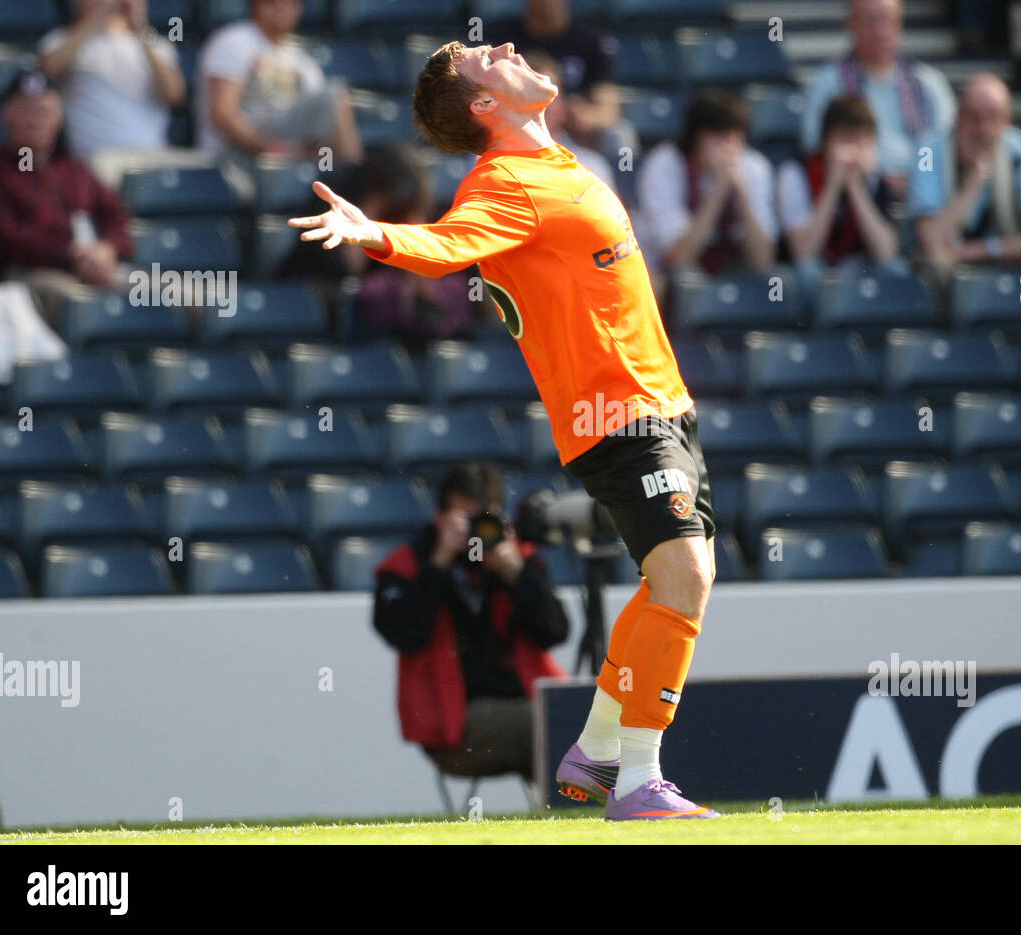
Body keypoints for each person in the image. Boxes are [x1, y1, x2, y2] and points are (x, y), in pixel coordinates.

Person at [290, 41, 721, 820]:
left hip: (662, 404)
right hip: (615, 415)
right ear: (486, 106)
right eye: (487, 57)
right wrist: (375, 232)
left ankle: (594, 746)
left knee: (672, 585)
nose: (508, 46)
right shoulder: (503, 183)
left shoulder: (558, 164)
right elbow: (446, 246)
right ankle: (637, 780)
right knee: (686, 579)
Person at [371, 463, 569, 782]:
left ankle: (569, 814)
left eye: (484, 520)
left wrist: (516, 575)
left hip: (521, 701)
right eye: (466, 520)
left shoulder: (517, 558)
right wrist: (440, 561)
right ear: (440, 517)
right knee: (551, 723)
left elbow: (555, 632)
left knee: (582, 715)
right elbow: (405, 636)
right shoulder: (409, 565)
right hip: (453, 725)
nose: (476, 532)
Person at [277, 145, 480, 345]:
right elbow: (347, 268)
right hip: (323, 292)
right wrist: (371, 212)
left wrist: (413, 226)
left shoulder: (416, 209)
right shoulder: (339, 189)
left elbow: (428, 280)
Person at [0, 69, 133, 329]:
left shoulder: (75, 169)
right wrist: (70, 256)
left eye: (43, 111)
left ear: (59, 118)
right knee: (74, 301)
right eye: (25, 111)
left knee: (168, 293)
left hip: (93, 266)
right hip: (29, 274)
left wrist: (107, 249)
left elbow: (117, 215)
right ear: (7, 116)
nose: (35, 120)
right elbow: (5, 239)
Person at [909, 73, 1021, 279]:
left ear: (1008, 121)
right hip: (948, 264)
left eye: (994, 118)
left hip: (1000, 254)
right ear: (958, 117)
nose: (983, 130)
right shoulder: (928, 151)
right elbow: (930, 239)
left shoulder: (1017, 149)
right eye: (974, 118)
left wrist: (981, 250)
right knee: (935, 265)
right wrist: (975, 182)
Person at [799, 0, 956, 200]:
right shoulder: (826, 84)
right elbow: (815, 146)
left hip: (926, 194)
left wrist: (920, 176)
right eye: (869, 21)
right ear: (851, 25)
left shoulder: (930, 84)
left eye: (887, 20)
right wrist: (875, 177)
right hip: (855, 197)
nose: (879, 30)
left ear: (899, 25)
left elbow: (941, 143)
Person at [196, 0, 363, 165]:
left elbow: (324, 119)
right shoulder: (234, 41)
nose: (281, 7)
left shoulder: (302, 59)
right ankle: (352, 183)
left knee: (337, 98)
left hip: (288, 153)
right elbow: (223, 115)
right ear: (255, 4)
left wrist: (297, 153)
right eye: (271, 1)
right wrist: (272, 149)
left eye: (291, 2)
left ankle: (348, 182)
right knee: (334, 95)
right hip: (237, 155)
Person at [636, 89, 778, 277]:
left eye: (735, 139)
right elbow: (678, 258)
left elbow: (762, 261)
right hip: (666, 273)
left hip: (733, 268)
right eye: (719, 138)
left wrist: (741, 193)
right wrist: (719, 190)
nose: (729, 149)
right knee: (684, 276)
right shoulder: (664, 165)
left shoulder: (754, 167)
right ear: (697, 138)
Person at [37, 0, 186, 169]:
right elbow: (47, 73)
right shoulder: (60, 39)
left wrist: (140, 27)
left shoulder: (155, 43)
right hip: (95, 157)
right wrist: (95, 18)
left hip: (154, 155)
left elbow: (174, 95)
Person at [490, 0, 633, 174]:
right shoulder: (502, 38)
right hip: (511, 124)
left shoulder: (589, 40)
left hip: (570, 129)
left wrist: (581, 114)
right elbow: (483, 95)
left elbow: (609, 112)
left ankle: (625, 189)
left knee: (618, 134)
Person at [777, 95, 900, 295]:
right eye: (846, 139)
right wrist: (833, 185)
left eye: (862, 140)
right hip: (812, 268)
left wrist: (855, 187)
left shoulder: (873, 178)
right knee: (808, 273)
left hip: (855, 266)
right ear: (826, 140)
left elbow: (885, 253)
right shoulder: (795, 172)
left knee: (895, 270)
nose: (854, 150)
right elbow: (804, 253)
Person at [522, 50, 618, 193]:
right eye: (532, 94)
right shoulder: (489, 164)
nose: (542, 104)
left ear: (563, 103)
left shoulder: (591, 166)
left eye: (549, 94)